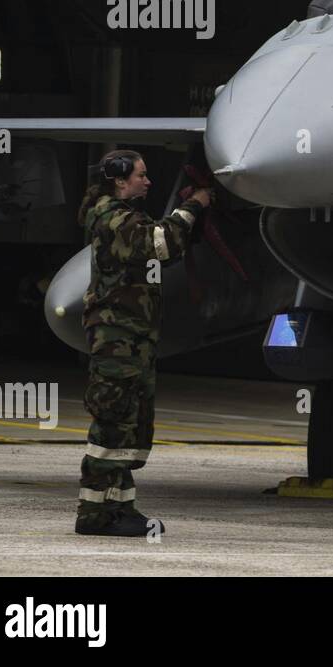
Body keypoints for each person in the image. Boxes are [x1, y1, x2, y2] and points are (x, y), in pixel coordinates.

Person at [74, 150, 211, 536]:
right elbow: (160, 244)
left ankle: (119, 508)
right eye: (142, 175)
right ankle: (93, 514)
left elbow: (162, 251)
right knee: (113, 423)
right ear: (120, 180)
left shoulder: (123, 216)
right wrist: (193, 206)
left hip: (133, 337)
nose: (148, 182)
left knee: (129, 426)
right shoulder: (113, 217)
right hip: (117, 339)